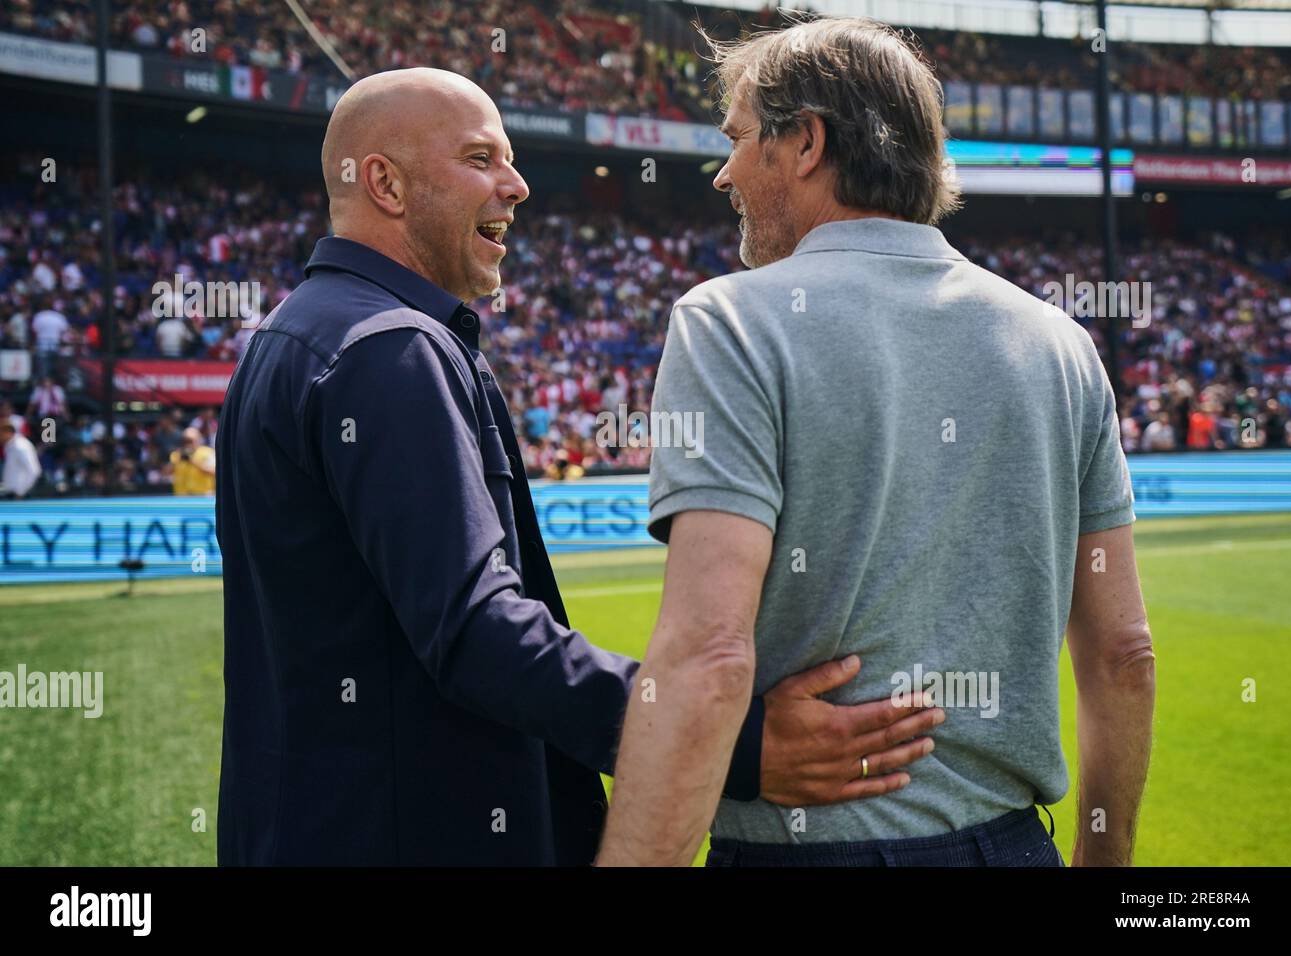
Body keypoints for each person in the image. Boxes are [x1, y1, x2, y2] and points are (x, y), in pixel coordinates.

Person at [215, 67, 941, 866]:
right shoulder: (392, 348)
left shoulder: (291, 337)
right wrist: (729, 742)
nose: (517, 185)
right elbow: (477, 632)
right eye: (480, 158)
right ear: (384, 182)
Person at [598, 17, 1154, 867]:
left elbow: (709, 657)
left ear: (807, 142)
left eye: (741, 140)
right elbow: (1124, 654)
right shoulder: (1061, 342)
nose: (724, 173)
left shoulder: (729, 320)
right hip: (1013, 848)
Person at [0, 420, 42, 498]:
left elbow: (34, 470)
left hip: (20, 496)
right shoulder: (9, 446)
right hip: (11, 494)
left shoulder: (20, 446)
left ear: (8, 432)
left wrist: (21, 492)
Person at [170, 427, 216, 496]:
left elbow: (213, 472)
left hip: (203, 496)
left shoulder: (208, 452)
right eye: (185, 441)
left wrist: (192, 461)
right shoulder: (176, 454)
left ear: (198, 440)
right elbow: (167, 472)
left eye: (190, 441)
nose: (187, 444)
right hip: (182, 497)